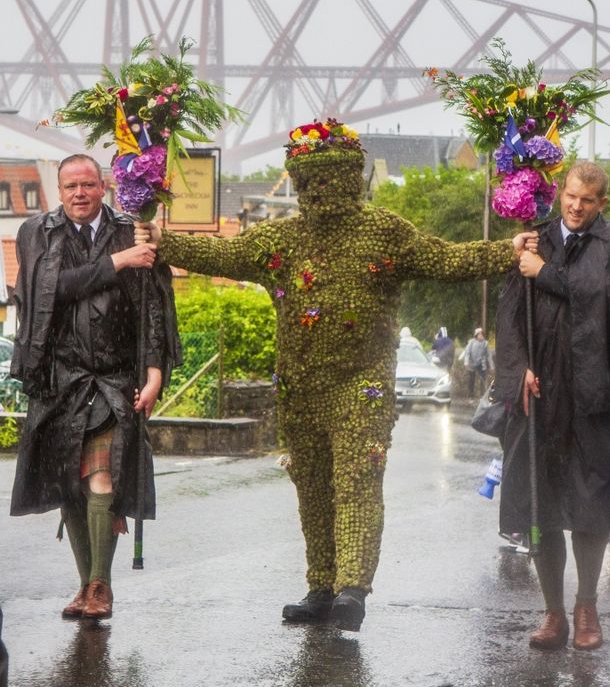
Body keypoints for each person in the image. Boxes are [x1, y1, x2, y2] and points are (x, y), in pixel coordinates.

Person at [136, 126, 535, 632]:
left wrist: (507, 251)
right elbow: (225, 255)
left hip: (362, 383)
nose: (319, 189)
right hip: (300, 387)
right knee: (313, 486)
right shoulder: (281, 238)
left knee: (357, 480)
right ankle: (322, 586)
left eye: (330, 177)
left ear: (352, 177)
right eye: (309, 179)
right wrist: (163, 240)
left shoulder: (384, 232)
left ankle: (352, 588)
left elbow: (446, 258)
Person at [9, 154, 180, 620]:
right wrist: (119, 262)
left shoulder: (132, 230)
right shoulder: (37, 233)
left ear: (103, 186)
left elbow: (152, 309)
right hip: (59, 381)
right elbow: (48, 292)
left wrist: (154, 373)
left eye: (87, 184)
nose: (79, 193)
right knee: (71, 484)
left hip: (114, 380)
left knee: (103, 477)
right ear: (59, 190)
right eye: (71, 186)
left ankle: (101, 586)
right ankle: (85, 585)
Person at [495, 161, 610, 652]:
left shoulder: (606, 247)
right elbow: (508, 316)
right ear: (560, 193)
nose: (577, 207)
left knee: (589, 504)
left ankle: (586, 607)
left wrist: (543, 273)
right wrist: (518, 366)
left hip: (592, 396)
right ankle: (554, 613)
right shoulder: (534, 240)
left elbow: (595, 296)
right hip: (541, 396)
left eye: (587, 200)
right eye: (571, 196)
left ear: (601, 203)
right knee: (540, 501)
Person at [462, 328, 492, 398]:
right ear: (476, 335)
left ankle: (482, 395)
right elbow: (467, 352)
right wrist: (466, 362)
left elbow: (488, 355)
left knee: (483, 380)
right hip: (472, 363)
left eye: (482, 334)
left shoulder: (485, 343)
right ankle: (471, 396)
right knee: (471, 380)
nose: (481, 335)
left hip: (481, 364)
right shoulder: (471, 342)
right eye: (480, 334)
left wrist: (492, 365)